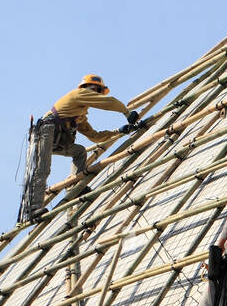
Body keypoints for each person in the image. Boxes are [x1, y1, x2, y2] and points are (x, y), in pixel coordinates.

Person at [18, 74, 140, 222]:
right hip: (46, 131)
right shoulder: (79, 94)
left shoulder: (79, 114)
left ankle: (76, 188)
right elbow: (108, 102)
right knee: (43, 168)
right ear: (91, 88)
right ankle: (32, 208)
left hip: (55, 139)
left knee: (79, 151)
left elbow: (94, 136)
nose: (97, 95)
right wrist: (126, 112)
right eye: (98, 91)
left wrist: (118, 132)